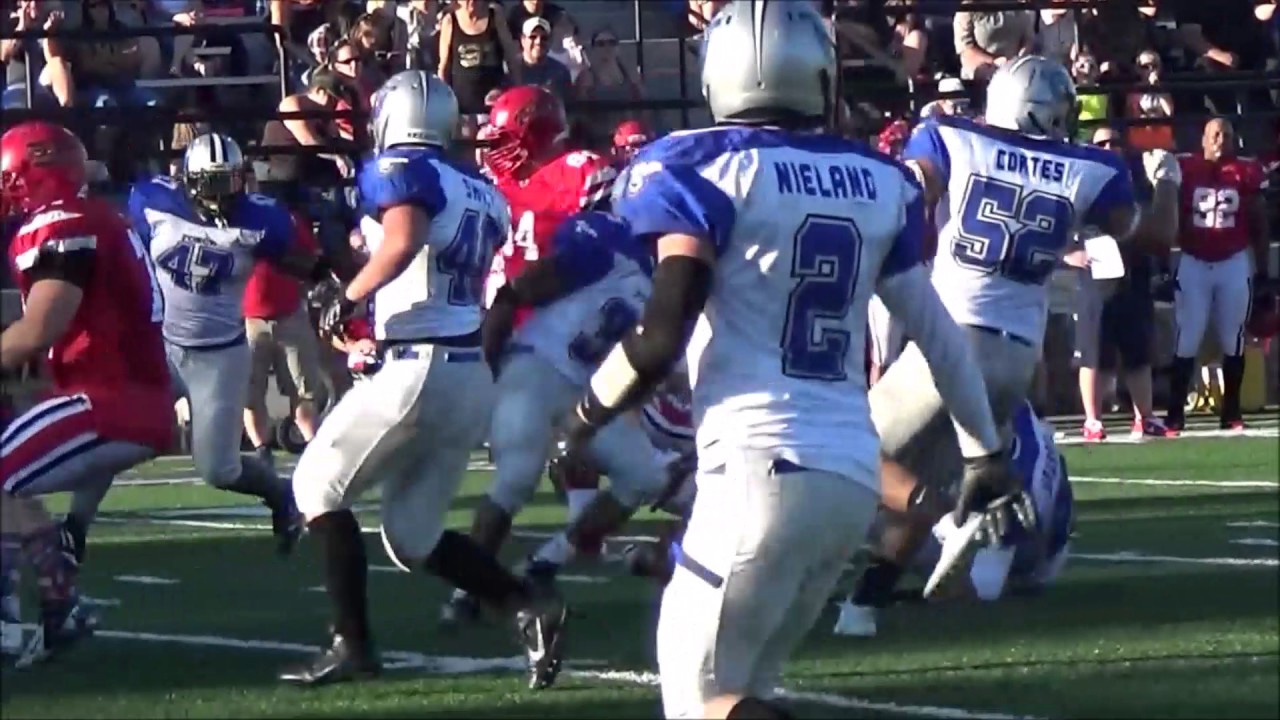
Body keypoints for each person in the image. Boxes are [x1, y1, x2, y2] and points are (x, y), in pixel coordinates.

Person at [556, 2, 1022, 716]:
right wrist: (983, 451)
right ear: (820, 75)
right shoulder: (878, 180)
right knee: (744, 693)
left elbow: (660, 334)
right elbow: (937, 333)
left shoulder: (699, 166)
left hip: (755, 464)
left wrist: (584, 417)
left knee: (697, 704)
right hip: (847, 480)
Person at [279, 70, 565, 691]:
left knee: (316, 488)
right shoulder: (480, 188)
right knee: (412, 536)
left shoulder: (399, 170)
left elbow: (405, 241)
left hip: (420, 364)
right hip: (467, 371)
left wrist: (348, 297)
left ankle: (351, 645)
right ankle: (527, 604)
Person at [865, 54, 1180, 603]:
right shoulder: (1090, 168)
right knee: (930, 473)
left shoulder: (951, 137)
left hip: (950, 340)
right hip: (1016, 358)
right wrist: (1168, 182)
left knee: (841, 452)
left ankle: (946, 522)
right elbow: (1155, 235)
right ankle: (864, 605)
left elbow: (909, 199)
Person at [92, 133, 335, 558]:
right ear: (190, 181)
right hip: (159, 347)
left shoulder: (260, 219)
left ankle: (281, 496)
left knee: (219, 469)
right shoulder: (153, 202)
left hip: (220, 356)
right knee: (111, 432)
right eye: (213, 184)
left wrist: (325, 277)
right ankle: (73, 529)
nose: (223, 195)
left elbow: (298, 260)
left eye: (230, 182)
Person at [0, 121, 174, 664]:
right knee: (9, 477)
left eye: (11, 176)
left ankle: (57, 602)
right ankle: (54, 606)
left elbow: (41, 327)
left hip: (110, 401)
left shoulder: (64, 222)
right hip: (125, 395)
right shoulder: (99, 217)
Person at [442, 211, 663, 624]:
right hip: (536, 367)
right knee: (516, 478)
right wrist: (484, 371)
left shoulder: (672, 278)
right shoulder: (608, 247)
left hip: (588, 392)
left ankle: (542, 565)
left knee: (644, 476)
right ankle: (465, 592)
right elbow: (513, 294)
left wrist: (598, 420)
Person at [833, 402, 1075, 636]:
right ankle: (862, 601)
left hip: (995, 533)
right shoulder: (1007, 398)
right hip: (1044, 544)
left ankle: (941, 522)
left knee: (844, 455)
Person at [1165, 118, 1271, 432]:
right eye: (1215, 134)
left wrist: (1263, 270)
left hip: (1233, 261)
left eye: (1226, 134)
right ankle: (1174, 413)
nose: (1221, 139)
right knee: (1188, 336)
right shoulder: (1185, 167)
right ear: (1203, 139)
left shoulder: (1247, 171)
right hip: (1194, 261)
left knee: (1233, 337)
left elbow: (1259, 222)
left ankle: (1232, 411)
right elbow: (1168, 210)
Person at [479, 84, 616, 319]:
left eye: (504, 142)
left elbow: (603, 255)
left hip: (558, 319)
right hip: (493, 318)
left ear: (535, 133)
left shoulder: (580, 173)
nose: (495, 152)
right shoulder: (490, 184)